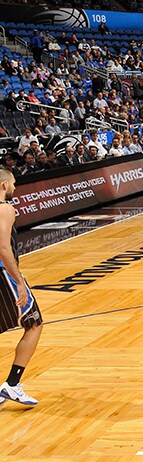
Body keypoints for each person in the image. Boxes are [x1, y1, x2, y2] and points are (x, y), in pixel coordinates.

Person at [0, 168, 43, 406]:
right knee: (34, 323)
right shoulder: (5, 208)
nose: (15, 186)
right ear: (4, 185)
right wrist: (19, 282)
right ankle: (12, 385)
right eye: (13, 183)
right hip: (4, 275)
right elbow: (4, 248)